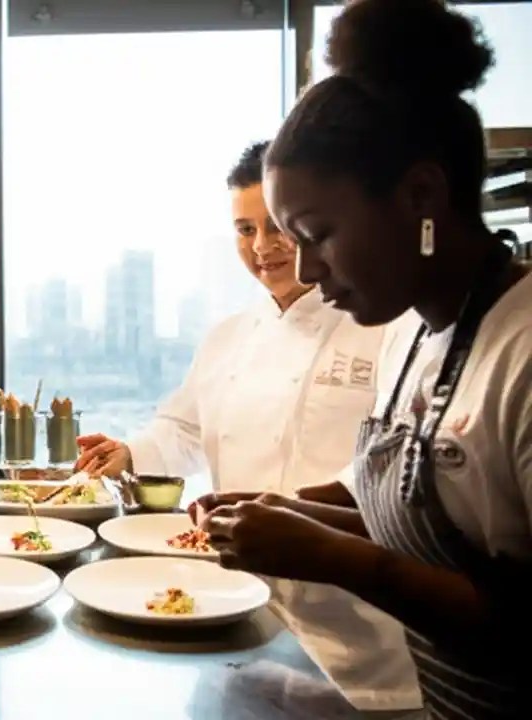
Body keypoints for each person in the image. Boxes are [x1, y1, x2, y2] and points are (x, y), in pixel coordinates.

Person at [198, 1, 532, 716]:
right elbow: (415, 522)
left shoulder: (524, 352)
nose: (309, 271)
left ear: (421, 194)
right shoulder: (415, 334)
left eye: (317, 234)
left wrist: (329, 557)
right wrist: (287, 513)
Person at [75, 141, 420, 710]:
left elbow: (392, 476)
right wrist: (127, 453)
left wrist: (296, 517)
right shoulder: (229, 336)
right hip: (237, 607)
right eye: (244, 229)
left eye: (276, 226)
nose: (262, 247)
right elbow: (182, 430)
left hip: (359, 636)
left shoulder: (384, 326)